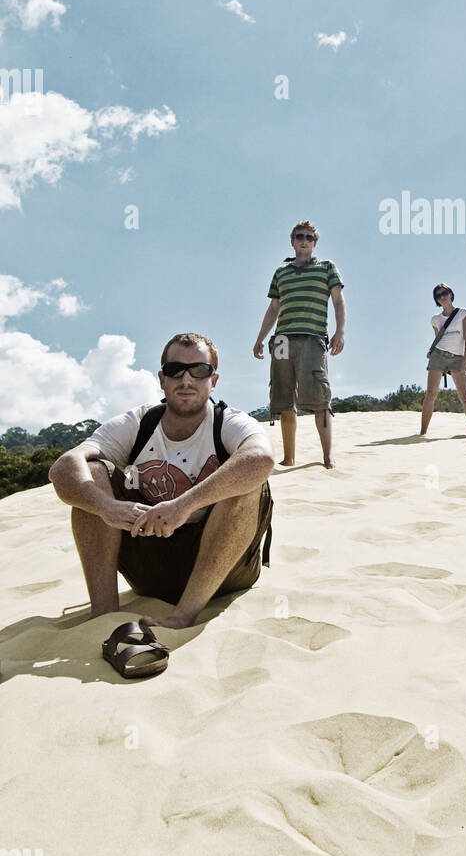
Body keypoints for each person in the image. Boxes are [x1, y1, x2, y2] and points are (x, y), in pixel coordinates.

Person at [48, 333, 274, 628]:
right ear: (161, 378)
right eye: (174, 370)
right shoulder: (140, 422)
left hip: (225, 571)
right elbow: (64, 467)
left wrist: (184, 504)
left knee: (245, 479)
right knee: (90, 473)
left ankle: (183, 616)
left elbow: (262, 459)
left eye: (199, 371)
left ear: (213, 380)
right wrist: (106, 507)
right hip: (152, 563)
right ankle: (102, 617)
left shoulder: (229, 422)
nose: (186, 380)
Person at [253, 220, 345, 468]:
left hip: (312, 337)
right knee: (283, 396)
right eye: (300, 236)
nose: (304, 240)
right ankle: (289, 457)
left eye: (309, 237)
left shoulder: (327, 267)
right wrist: (261, 338)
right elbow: (274, 307)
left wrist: (340, 331)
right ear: (292, 241)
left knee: (318, 396)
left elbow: (338, 300)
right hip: (282, 339)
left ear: (315, 243)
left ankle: (327, 457)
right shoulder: (281, 272)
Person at [420, 283, 466, 437]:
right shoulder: (435, 319)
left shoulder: (463, 313)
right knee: (430, 394)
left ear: (451, 294)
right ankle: (422, 433)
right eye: (438, 295)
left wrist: (465, 360)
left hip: (457, 359)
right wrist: (432, 351)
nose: (442, 297)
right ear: (436, 300)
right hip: (438, 357)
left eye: (445, 293)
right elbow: (438, 338)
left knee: (465, 396)